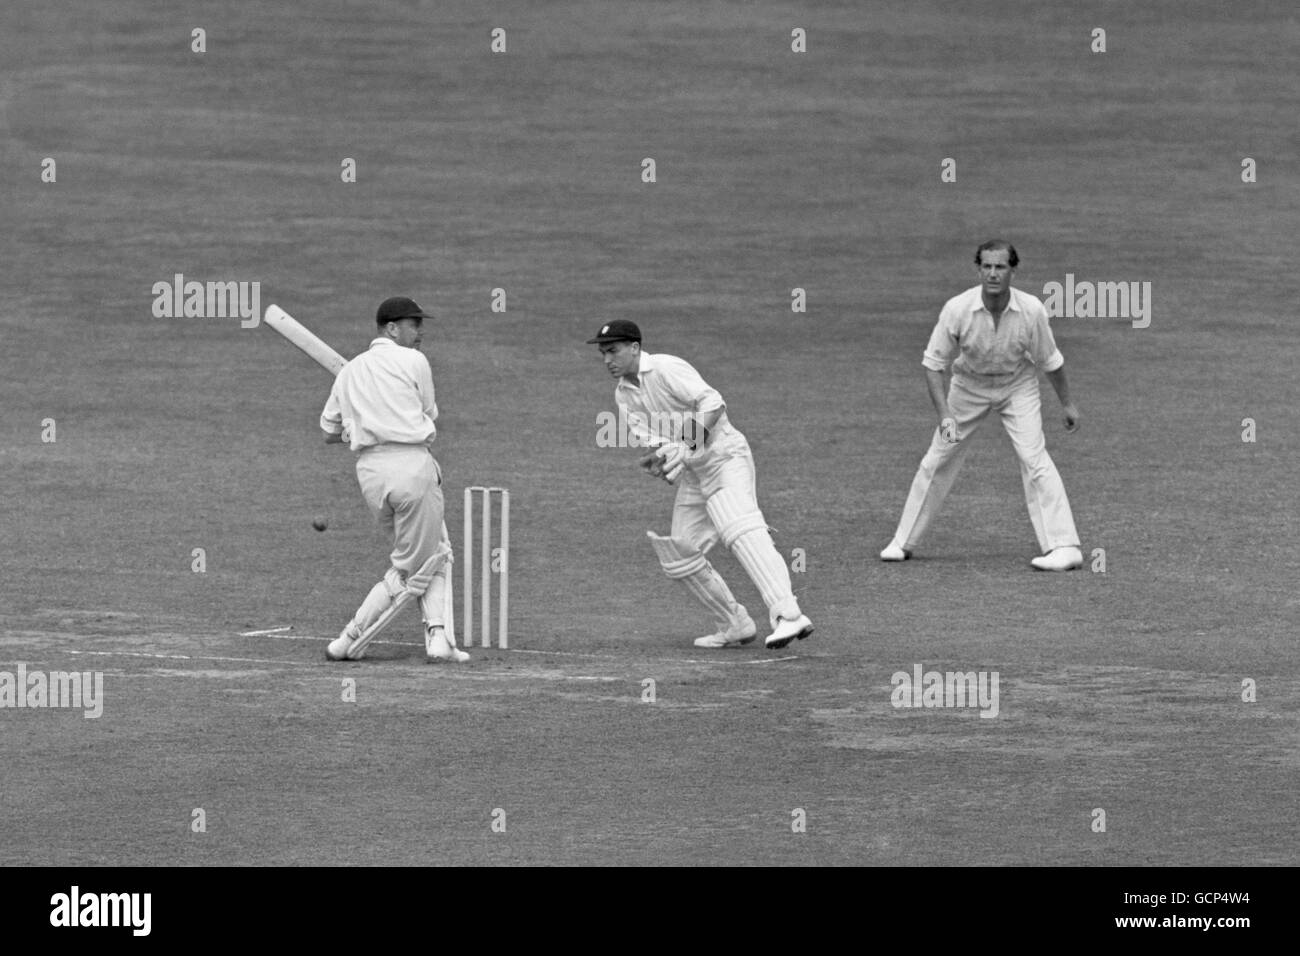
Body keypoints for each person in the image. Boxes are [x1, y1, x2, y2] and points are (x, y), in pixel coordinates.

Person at [588, 319, 814, 649]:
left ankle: (789, 616)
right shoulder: (623, 395)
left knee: (740, 528)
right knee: (679, 554)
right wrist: (663, 459)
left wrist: (686, 444)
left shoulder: (665, 368)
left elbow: (713, 402)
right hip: (694, 474)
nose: (607, 360)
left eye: (613, 351)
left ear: (635, 348)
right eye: (603, 354)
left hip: (725, 458)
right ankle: (734, 623)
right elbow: (662, 441)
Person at [880, 240, 1084, 570]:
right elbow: (933, 364)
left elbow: (1050, 360)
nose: (993, 273)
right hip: (967, 388)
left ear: (1013, 271)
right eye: (987, 266)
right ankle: (902, 541)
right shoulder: (957, 309)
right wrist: (945, 415)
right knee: (938, 457)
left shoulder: (1031, 310)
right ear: (978, 269)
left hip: (1018, 386)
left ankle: (1065, 546)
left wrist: (1068, 404)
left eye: (1000, 267)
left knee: (1034, 458)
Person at [321, 296, 469, 662]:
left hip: (371, 475)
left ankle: (440, 637)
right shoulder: (414, 361)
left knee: (434, 550)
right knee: (417, 563)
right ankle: (351, 637)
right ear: (391, 328)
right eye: (414, 325)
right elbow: (428, 413)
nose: (420, 333)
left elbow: (328, 431)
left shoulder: (350, 371)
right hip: (411, 467)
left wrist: (362, 425)